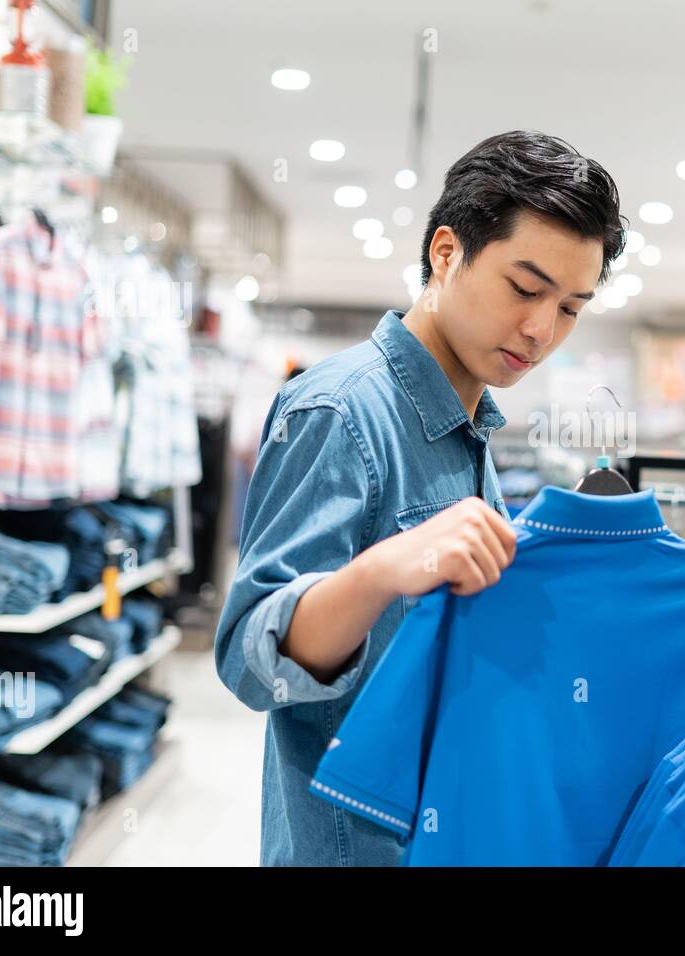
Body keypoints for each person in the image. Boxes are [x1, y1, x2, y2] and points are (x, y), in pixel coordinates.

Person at [214, 130, 626, 866]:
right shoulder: (339, 412)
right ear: (446, 252)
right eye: (525, 289)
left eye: (569, 308)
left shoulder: (469, 430)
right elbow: (249, 660)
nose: (540, 330)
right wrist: (382, 570)